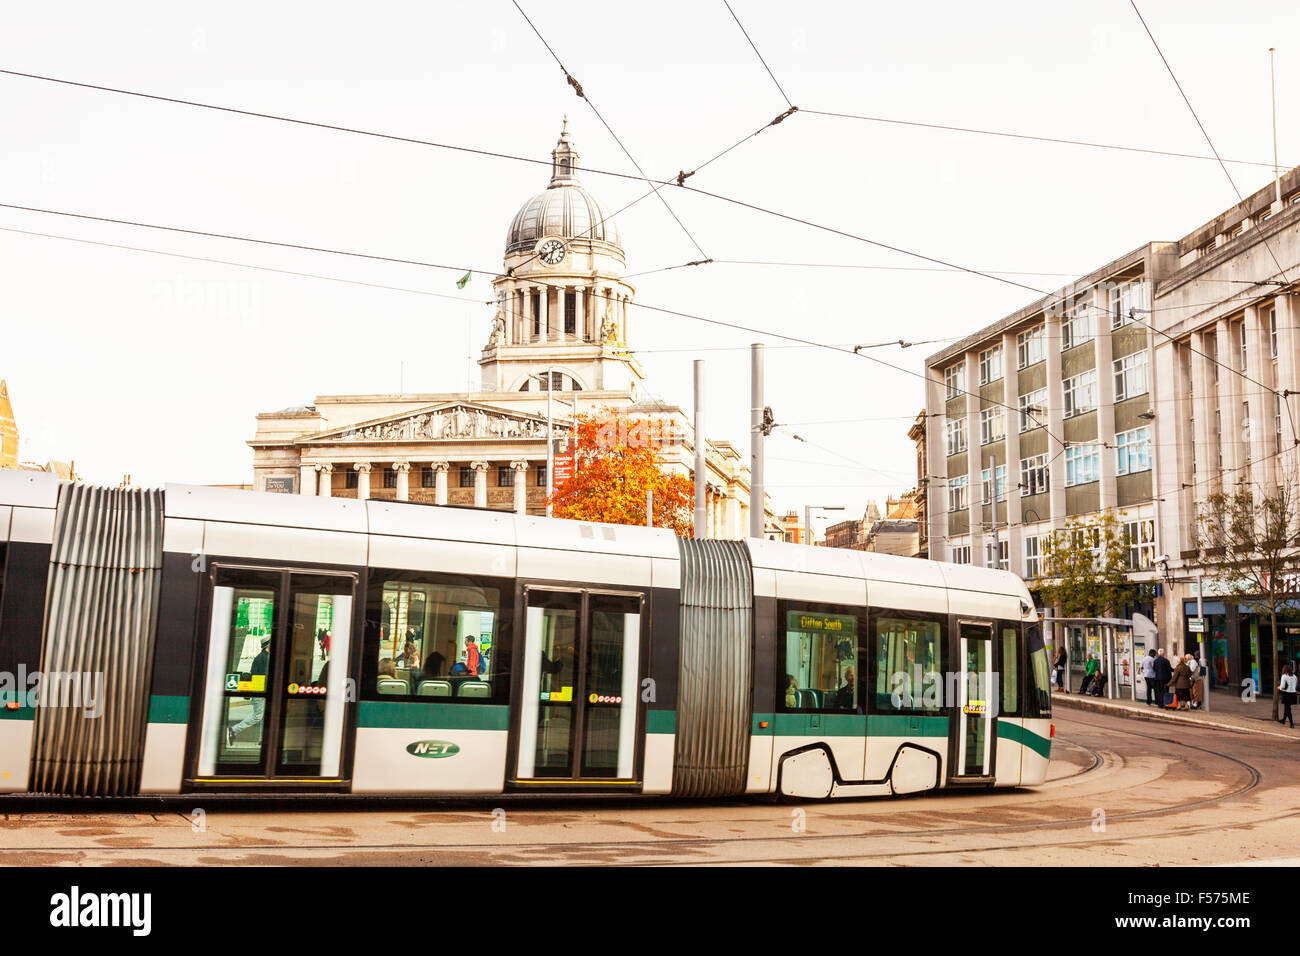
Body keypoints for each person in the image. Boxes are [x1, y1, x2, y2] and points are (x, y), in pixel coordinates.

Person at [228, 638, 271, 746]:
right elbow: (261, 677)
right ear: (268, 646)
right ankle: (234, 730)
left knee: (264, 715)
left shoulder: (262, 657)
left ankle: (262, 739)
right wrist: (262, 693)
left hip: (260, 690)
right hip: (260, 691)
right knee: (257, 716)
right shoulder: (263, 658)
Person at [1279, 664, 1297, 728]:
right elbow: (1295, 685)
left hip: (1287, 693)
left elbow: (1283, 686)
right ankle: (1283, 720)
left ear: (1284, 670)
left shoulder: (1284, 676)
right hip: (1293, 694)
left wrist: (1279, 688)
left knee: (1287, 709)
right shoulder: (1294, 676)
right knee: (1286, 707)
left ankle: (1291, 724)